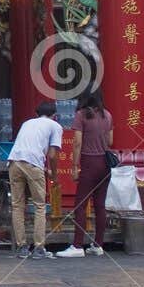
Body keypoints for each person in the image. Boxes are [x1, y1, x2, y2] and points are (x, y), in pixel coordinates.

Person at [57, 91, 112, 258]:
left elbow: (77, 142)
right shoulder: (108, 115)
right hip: (105, 163)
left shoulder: (81, 115)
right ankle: (98, 244)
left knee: (80, 205)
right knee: (100, 205)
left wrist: (74, 165)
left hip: (89, 162)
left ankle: (77, 245)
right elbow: (110, 141)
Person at [8, 101, 64, 259]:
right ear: (55, 115)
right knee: (40, 206)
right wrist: (53, 174)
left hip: (14, 162)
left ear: (37, 113)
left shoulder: (27, 123)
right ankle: (39, 247)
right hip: (33, 163)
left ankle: (22, 247)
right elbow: (52, 155)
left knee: (18, 206)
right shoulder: (55, 126)